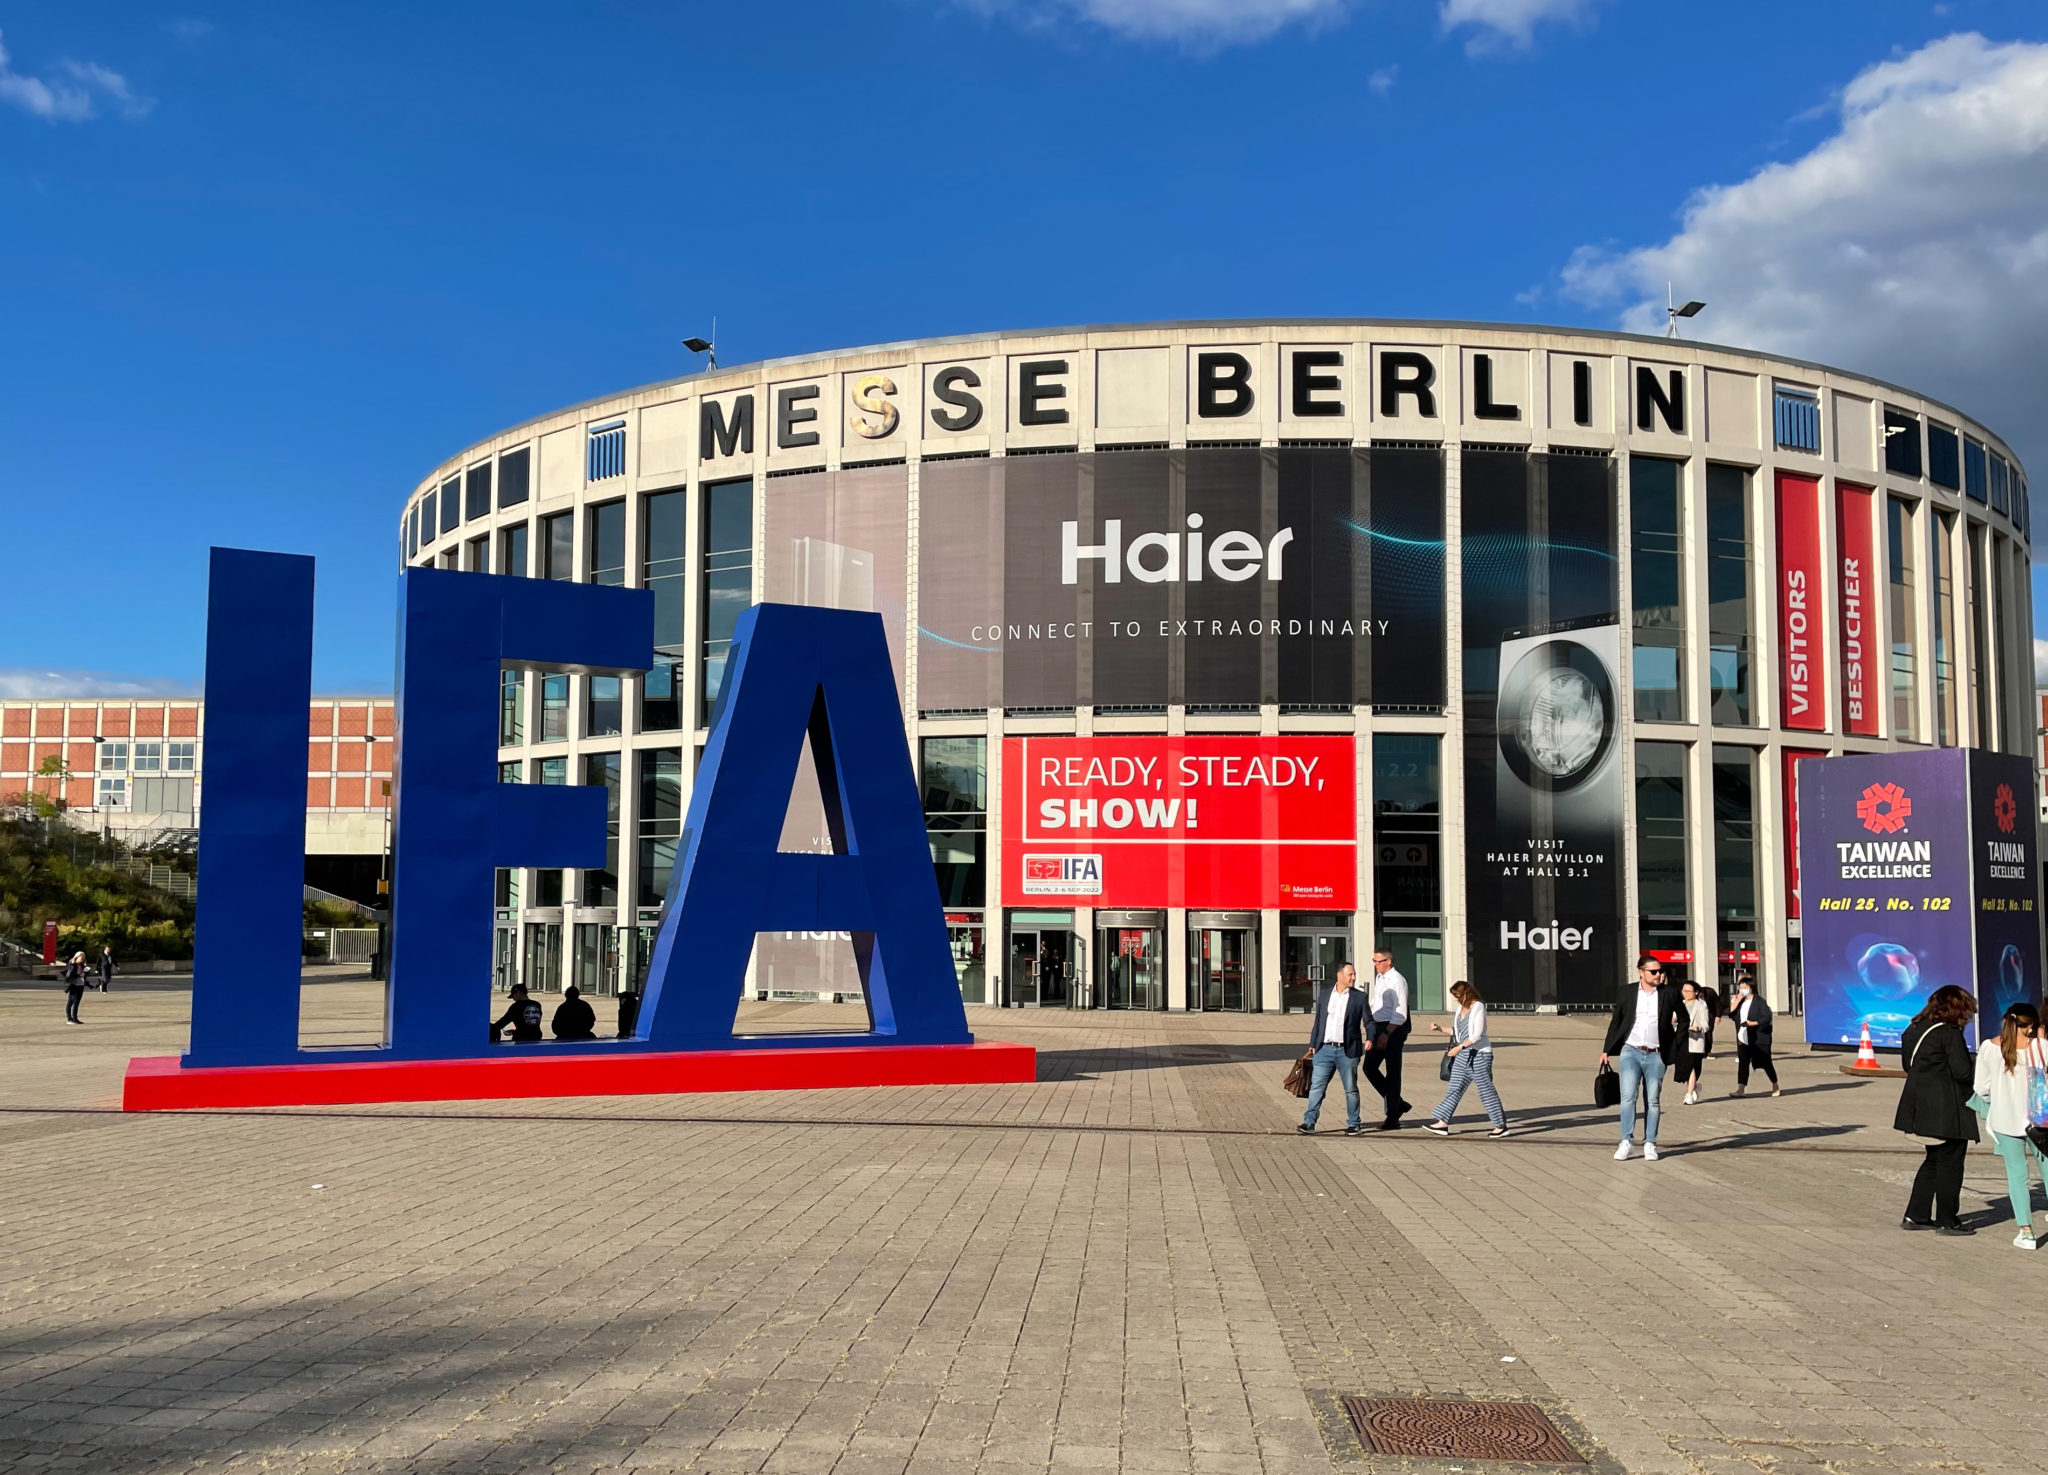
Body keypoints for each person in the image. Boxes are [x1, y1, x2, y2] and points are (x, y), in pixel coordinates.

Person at [1895, 984, 1980, 1236]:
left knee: (1933, 1161)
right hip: (1947, 1111)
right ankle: (1947, 1220)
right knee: (1950, 1165)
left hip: (1921, 1107)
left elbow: (1908, 1066)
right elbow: (1963, 1072)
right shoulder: (1950, 1032)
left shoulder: (1915, 1028)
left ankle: (1916, 1215)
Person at [1970, 1001, 2045, 1250]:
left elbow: (1981, 1088)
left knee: (2017, 1176)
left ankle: (2026, 1232)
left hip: (2005, 1120)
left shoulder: (1990, 1049)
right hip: (2040, 1121)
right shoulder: (2041, 1047)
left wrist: (2000, 1097)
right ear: (2032, 1024)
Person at [1600, 955, 1686, 1161]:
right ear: (1641, 972)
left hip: (1657, 1054)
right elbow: (1617, 1021)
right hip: (1631, 1051)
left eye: (1660, 971)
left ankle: (1650, 1143)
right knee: (1628, 1097)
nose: (1658, 975)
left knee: (1653, 1100)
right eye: (1653, 972)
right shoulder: (1627, 992)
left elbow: (1684, 1019)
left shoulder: (1669, 994)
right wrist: (1607, 1049)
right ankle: (1626, 1141)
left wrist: (1676, 1043)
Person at [1423, 980, 1508, 1138]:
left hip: (1480, 1054)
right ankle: (1442, 1122)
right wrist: (1440, 1028)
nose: (1456, 999)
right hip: (1463, 1054)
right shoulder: (1459, 1010)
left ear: (1466, 994)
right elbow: (1457, 1032)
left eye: (1457, 995)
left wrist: (1460, 1047)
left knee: (1485, 1090)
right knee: (1455, 1087)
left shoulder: (1478, 1007)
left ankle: (1500, 1125)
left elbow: (1477, 1034)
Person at [1298, 961, 1370, 1136]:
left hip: (1348, 1051)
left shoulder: (1359, 997)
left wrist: (1371, 1038)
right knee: (1317, 1087)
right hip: (1324, 1050)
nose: (1353, 977)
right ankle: (1309, 1123)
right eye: (1350, 974)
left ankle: (1354, 1124)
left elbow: (1369, 1020)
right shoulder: (1324, 995)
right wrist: (1313, 1044)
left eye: (1354, 974)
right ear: (1340, 976)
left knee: (1351, 1089)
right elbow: (1319, 1022)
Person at [1361, 947, 1412, 1130]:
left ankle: (1393, 1117)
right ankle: (1397, 1103)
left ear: (1388, 961)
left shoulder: (1397, 980)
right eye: (1373, 961)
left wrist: (1387, 1033)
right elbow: (1378, 1002)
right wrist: (1369, 1021)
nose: (1375, 965)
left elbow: (1400, 1012)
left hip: (1393, 1028)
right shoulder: (1380, 978)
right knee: (1369, 1067)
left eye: (1378, 961)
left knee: (1392, 1072)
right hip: (1379, 1025)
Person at [1728, 973, 1779, 1097]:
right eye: (1740, 987)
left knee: (1766, 1062)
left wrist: (1753, 1023)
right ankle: (1741, 1088)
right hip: (1743, 1037)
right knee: (1743, 1063)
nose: (1742, 990)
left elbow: (1766, 1017)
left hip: (1758, 1038)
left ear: (1750, 987)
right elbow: (1730, 1013)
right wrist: (1736, 1001)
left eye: (1744, 987)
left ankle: (1775, 1083)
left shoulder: (1759, 1001)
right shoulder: (1740, 1002)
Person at [1675, 980, 1714, 1105]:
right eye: (1683, 990)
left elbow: (1706, 1025)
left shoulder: (1701, 1006)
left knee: (1691, 1067)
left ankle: (1689, 1094)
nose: (1685, 993)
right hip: (1681, 1039)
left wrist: (1698, 1028)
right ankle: (1693, 1087)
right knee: (1684, 1067)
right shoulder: (1679, 1004)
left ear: (1696, 992)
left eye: (1688, 991)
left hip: (1694, 1039)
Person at [61, 951, 88, 1024]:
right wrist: (79, 975)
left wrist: (86, 972)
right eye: (81, 957)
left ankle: (75, 1018)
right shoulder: (72, 964)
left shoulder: (82, 965)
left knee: (77, 1003)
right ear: (77, 957)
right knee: (71, 1002)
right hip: (74, 985)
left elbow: (84, 975)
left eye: (83, 958)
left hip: (80, 985)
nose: (82, 959)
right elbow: (69, 976)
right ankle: (69, 1019)